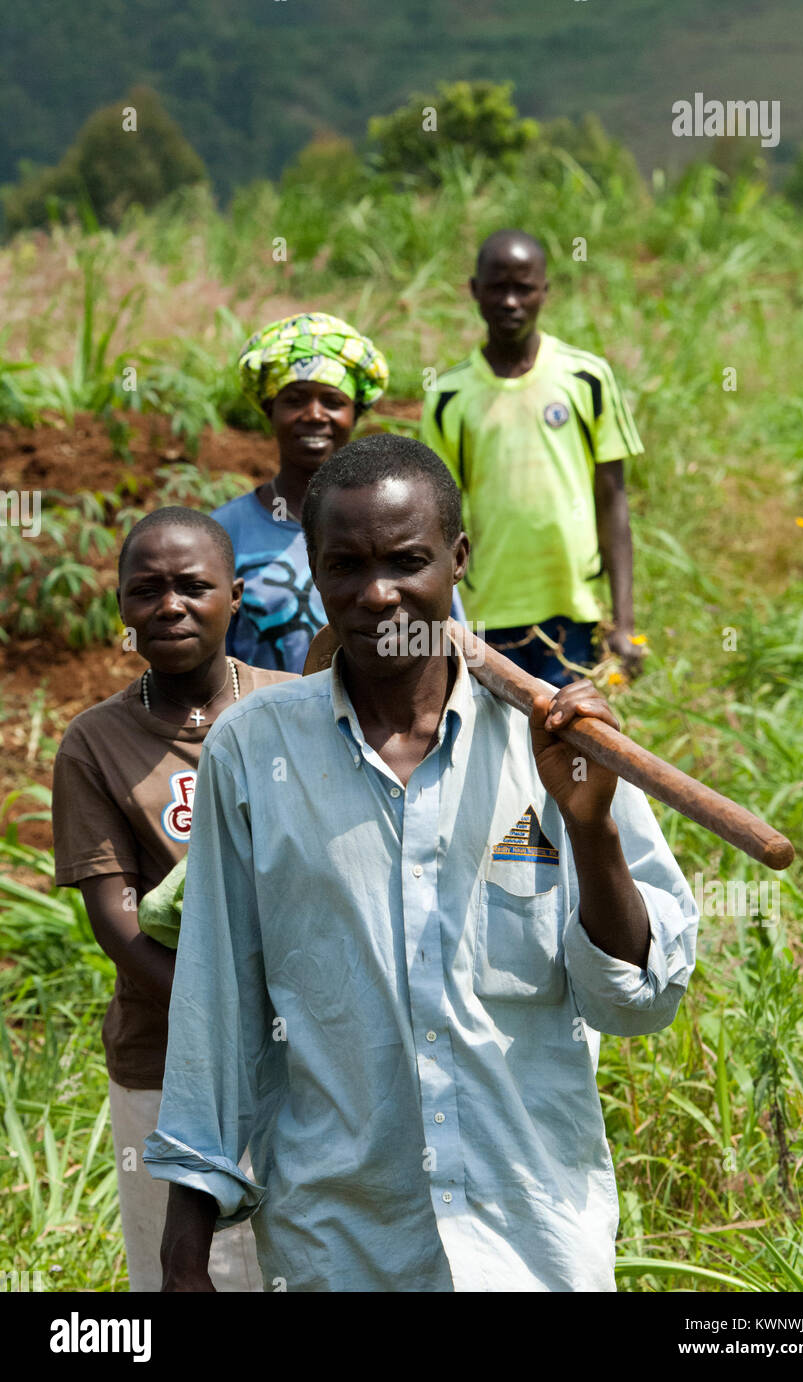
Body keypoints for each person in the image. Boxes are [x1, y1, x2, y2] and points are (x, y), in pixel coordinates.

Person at [144, 435, 698, 1293]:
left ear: (458, 558)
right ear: (315, 571)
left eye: (407, 561)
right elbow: (220, 1001)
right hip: (342, 1241)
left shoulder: (558, 743)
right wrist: (184, 1255)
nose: (377, 595)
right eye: (345, 566)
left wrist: (591, 828)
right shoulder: (252, 752)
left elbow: (637, 1002)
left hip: (531, 1240)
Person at [51, 506, 295, 1292]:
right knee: (192, 1275)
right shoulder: (95, 742)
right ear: (121, 606)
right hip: (167, 1060)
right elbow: (117, 923)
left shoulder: (297, 708)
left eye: (193, 586)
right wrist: (229, 1022)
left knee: (309, 1261)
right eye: (146, 589)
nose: (170, 605)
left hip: (312, 1055)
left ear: (236, 593)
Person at [419, 229, 645, 685]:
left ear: (545, 291)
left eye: (523, 288)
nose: (510, 301)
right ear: (475, 291)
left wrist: (625, 623)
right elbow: (434, 516)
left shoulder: (586, 378)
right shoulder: (448, 395)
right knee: (495, 752)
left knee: (568, 750)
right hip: (484, 618)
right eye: (497, 288)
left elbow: (612, 500)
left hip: (573, 613)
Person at [212, 312, 464, 674]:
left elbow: (449, 641)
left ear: (354, 413)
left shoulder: (408, 525)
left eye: (332, 401)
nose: (314, 414)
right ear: (270, 410)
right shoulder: (225, 534)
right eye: (295, 400)